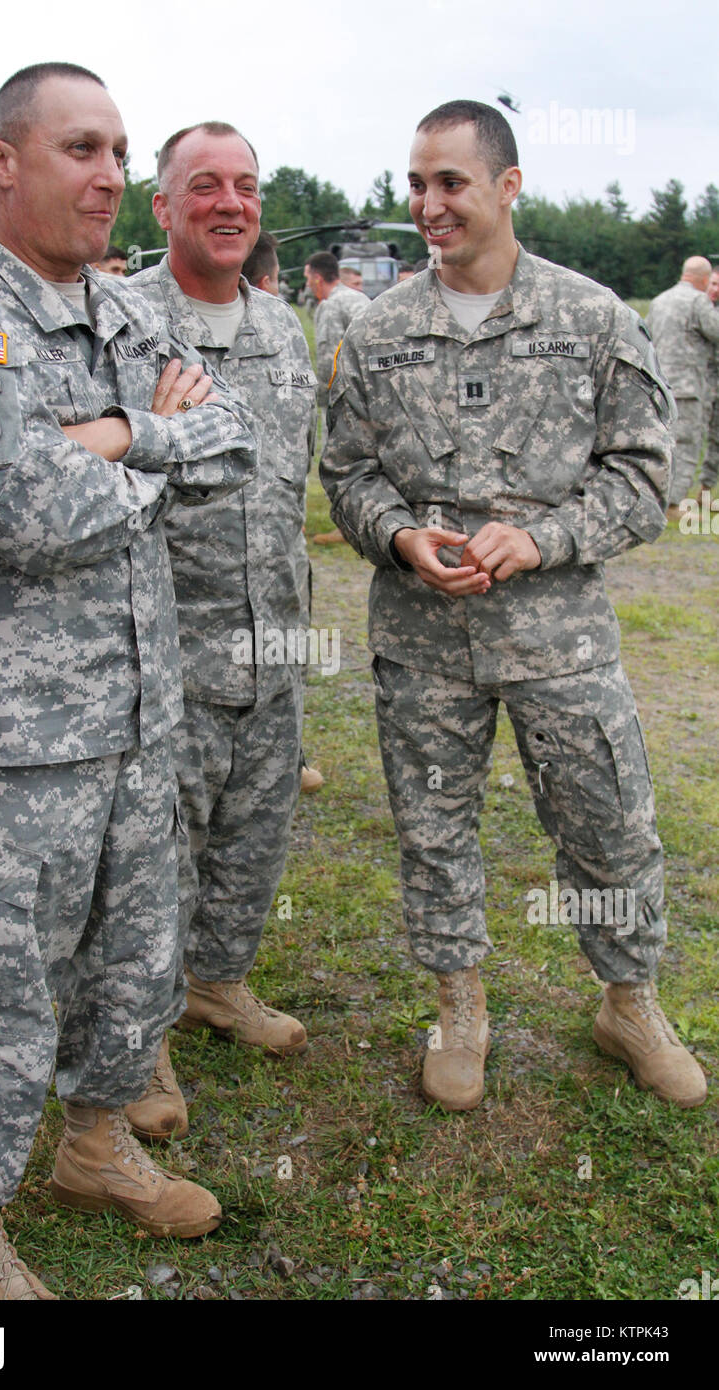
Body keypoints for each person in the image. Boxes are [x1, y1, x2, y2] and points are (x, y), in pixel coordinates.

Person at [0, 62, 257, 1300]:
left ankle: (95, 1145)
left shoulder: (123, 310)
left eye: (121, 153)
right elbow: (28, 511)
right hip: (3, 739)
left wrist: (104, 437)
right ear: (2, 161)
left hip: (135, 711)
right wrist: (140, 436)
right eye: (81, 149)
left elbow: (226, 435)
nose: (110, 178)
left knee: (134, 960)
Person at [320, 99, 706, 1114]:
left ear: (506, 185)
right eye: (415, 183)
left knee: (606, 825)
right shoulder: (379, 328)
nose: (427, 204)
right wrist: (398, 536)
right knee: (432, 827)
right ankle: (458, 1007)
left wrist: (540, 538)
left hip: (558, 636)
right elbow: (348, 473)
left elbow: (643, 476)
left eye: (449, 182)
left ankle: (627, 1000)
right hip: (421, 638)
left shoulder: (589, 318)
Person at [127, 120, 315, 1142]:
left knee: (253, 834)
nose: (229, 203)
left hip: (274, 641)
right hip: (165, 652)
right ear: (162, 207)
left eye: (244, 185)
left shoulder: (283, 329)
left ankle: (219, 983)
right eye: (204, 186)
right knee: (157, 854)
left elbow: (292, 483)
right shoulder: (120, 322)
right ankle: (140, 1031)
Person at [243, 231, 324, 795]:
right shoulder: (139, 319)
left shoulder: (284, 328)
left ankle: (291, 754)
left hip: (282, 592)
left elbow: (304, 452)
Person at [305, 251, 369, 544]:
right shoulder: (358, 298)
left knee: (342, 462)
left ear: (317, 279)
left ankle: (346, 526)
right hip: (376, 391)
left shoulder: (331, 306)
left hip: (348, 395)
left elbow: (330, 360)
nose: (307, 285)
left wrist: (321, 399)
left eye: (307, 279)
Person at [647, 255, 719, 516]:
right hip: (690, 385)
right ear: (703, 280)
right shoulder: (698, 300)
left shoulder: (659, 300)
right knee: (687, 444)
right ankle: (674, 503)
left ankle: (656, 496)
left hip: (660, 383)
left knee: (663, 443)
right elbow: (715, 331)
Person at [698, 267, 719, 500]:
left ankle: (705, 492)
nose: (715, 290)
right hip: (700, 382)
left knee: (716, 440)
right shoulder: (698, 309)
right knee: (691, 438)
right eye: (712, 284)